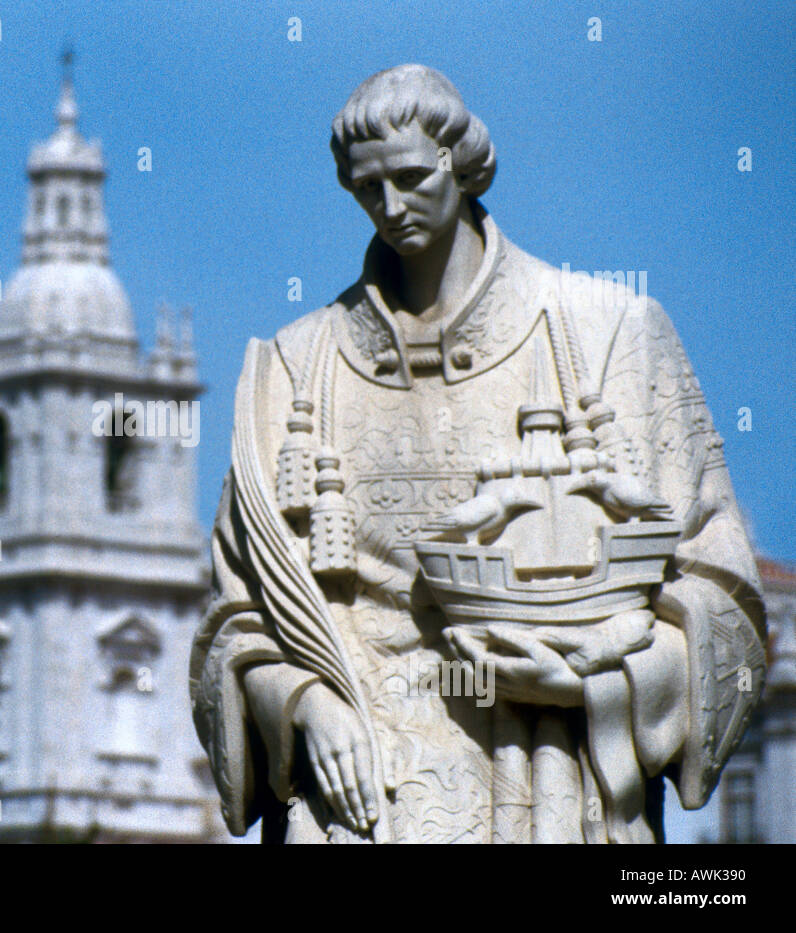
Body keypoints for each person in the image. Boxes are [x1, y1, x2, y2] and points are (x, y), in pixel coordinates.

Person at [190, 64, 766, 843]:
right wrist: (302, 704)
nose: (391, 209)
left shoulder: (609, 333)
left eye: (410, 178)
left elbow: (721, 591)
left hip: (552, 791)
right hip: (358, 812)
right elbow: (233, 620)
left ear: (461, 166)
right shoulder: (295, 368)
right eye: (367, 190)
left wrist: (599, 682)